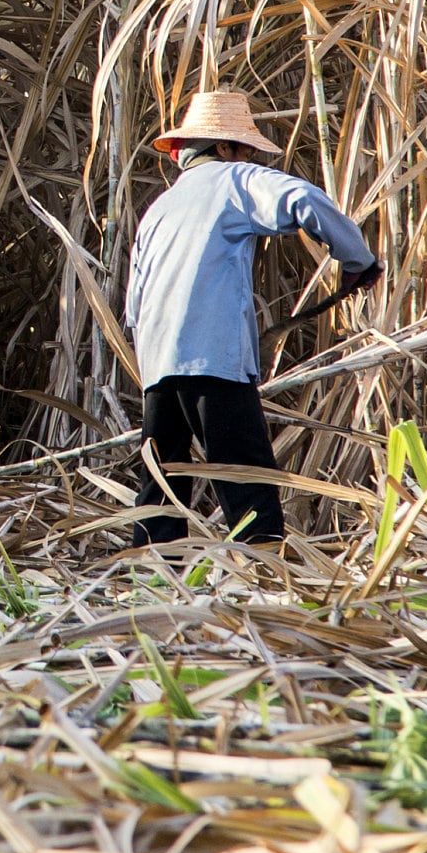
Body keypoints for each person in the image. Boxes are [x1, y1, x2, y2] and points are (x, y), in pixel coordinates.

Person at [121, 88, 380, 546]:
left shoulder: (157, 210)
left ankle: (152, 585)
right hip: (213, 359)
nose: (250, 159)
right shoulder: (234, 180)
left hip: (158, 367)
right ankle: (262, 578)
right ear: (223, 148)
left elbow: (134, 308)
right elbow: (301, 198)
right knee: (245, 477)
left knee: (160, 485)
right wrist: (357, 258)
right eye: (244, 149)